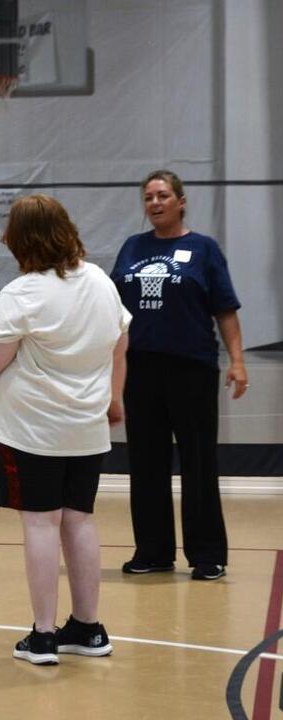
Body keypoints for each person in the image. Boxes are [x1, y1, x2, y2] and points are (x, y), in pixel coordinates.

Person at [0, 195, 130, 666]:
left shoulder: (23, 293)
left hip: (33, 430)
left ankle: (42, 637)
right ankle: (89, 628)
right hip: (86, 428)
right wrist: (115, 397)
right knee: (79, 519)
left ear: (21, 240)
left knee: (41, 521)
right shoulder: (100, 281)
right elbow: (121, 343)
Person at [111, 170, 247, 582]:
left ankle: (207, 555)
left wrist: (238, 361)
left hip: (192, 369)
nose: (155, 203)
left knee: (198, 461)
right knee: (146, 462)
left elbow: (225, 309)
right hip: (141, 371)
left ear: (181, 201)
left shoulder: (202, 248)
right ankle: (153, 551)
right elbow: (113, 311)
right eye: (149, 196)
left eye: (163, 195)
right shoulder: (132, 248)